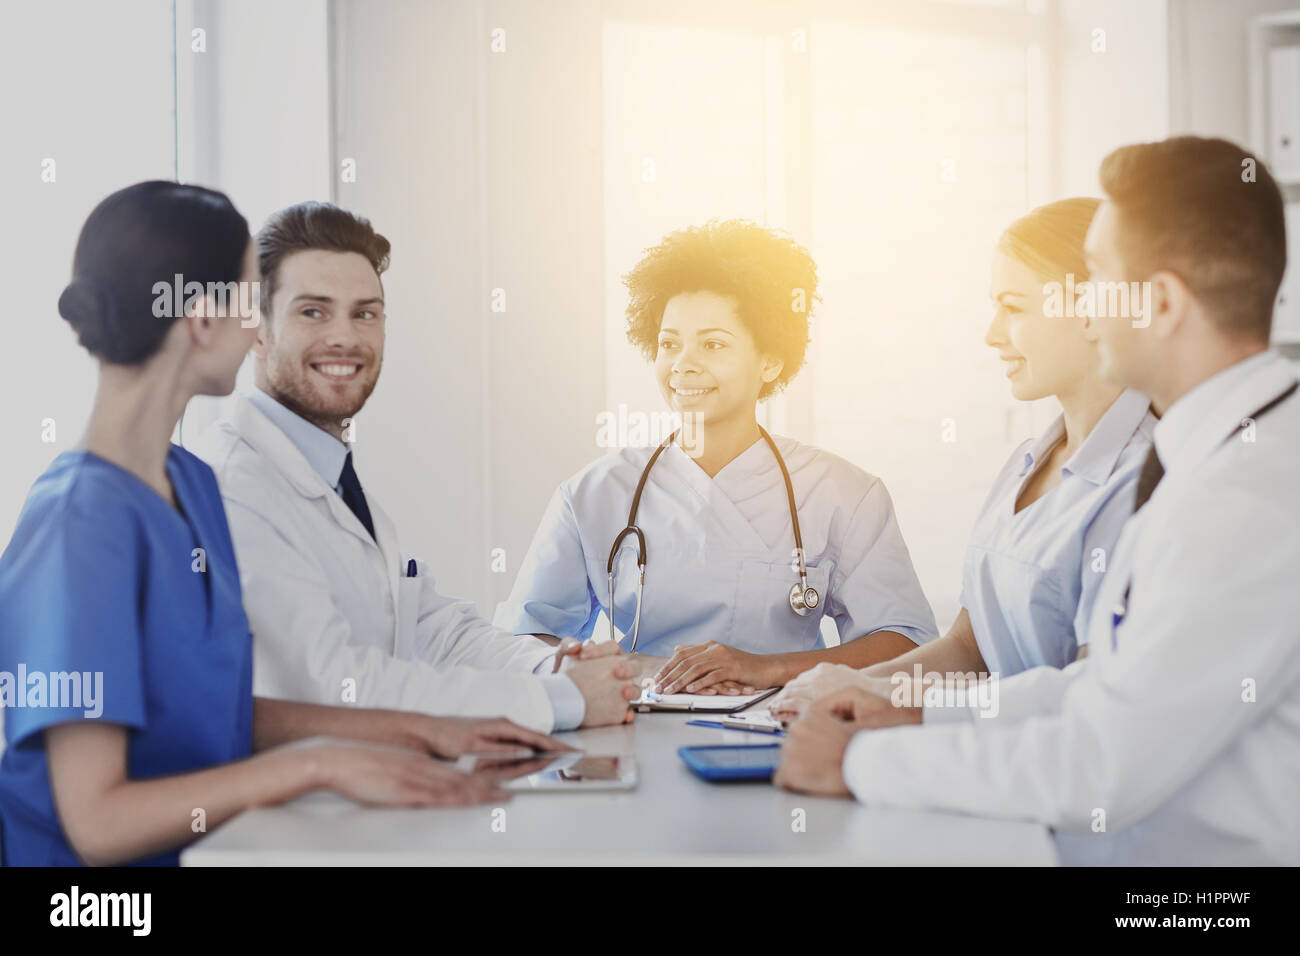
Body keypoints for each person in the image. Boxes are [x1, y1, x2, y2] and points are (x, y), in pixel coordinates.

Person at [0, 182, 565, 867]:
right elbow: (95, 821)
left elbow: (223, 710)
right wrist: (315, 764)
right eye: (250, 299)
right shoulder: (78, 523)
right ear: (203, 318)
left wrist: (424, 730)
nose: (257, 328)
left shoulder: (192, 487)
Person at [775, 136, 1300, 866]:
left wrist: (860, 762)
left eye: (1100, 282)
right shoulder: (1212, 457)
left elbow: (1102, 762)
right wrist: (916, 711)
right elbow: (1105, 687)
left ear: (1163, 303)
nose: (1087, 311)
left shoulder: (1250, 495)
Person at [192, 202, 640, 734]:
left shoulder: (336, 482)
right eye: (313, 311)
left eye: (365, 313)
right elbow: (336, 686)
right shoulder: (233, 485)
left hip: (375, 793)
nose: (345, 337)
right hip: (295, 809)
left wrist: (553, 667)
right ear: (257, 331)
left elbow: (437, 630)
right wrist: (559, 701)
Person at [494, 219, 937, 695]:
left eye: (713, 344)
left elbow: (904, 643)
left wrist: (767, 669)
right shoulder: (593, 493)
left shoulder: (842, 493)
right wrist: (594, 672)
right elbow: (524, 638)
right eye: (669, 344)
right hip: (631, 724)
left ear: (770, 360)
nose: (683, 363)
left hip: (785, 730)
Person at [772, 199, 1155, 717]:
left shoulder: (1145, 483)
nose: (992, 334)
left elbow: (1087, 703)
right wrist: (846, 686)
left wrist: (897, 710)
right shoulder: (1027, 462)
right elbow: (967, 651)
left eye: (1014, 307)